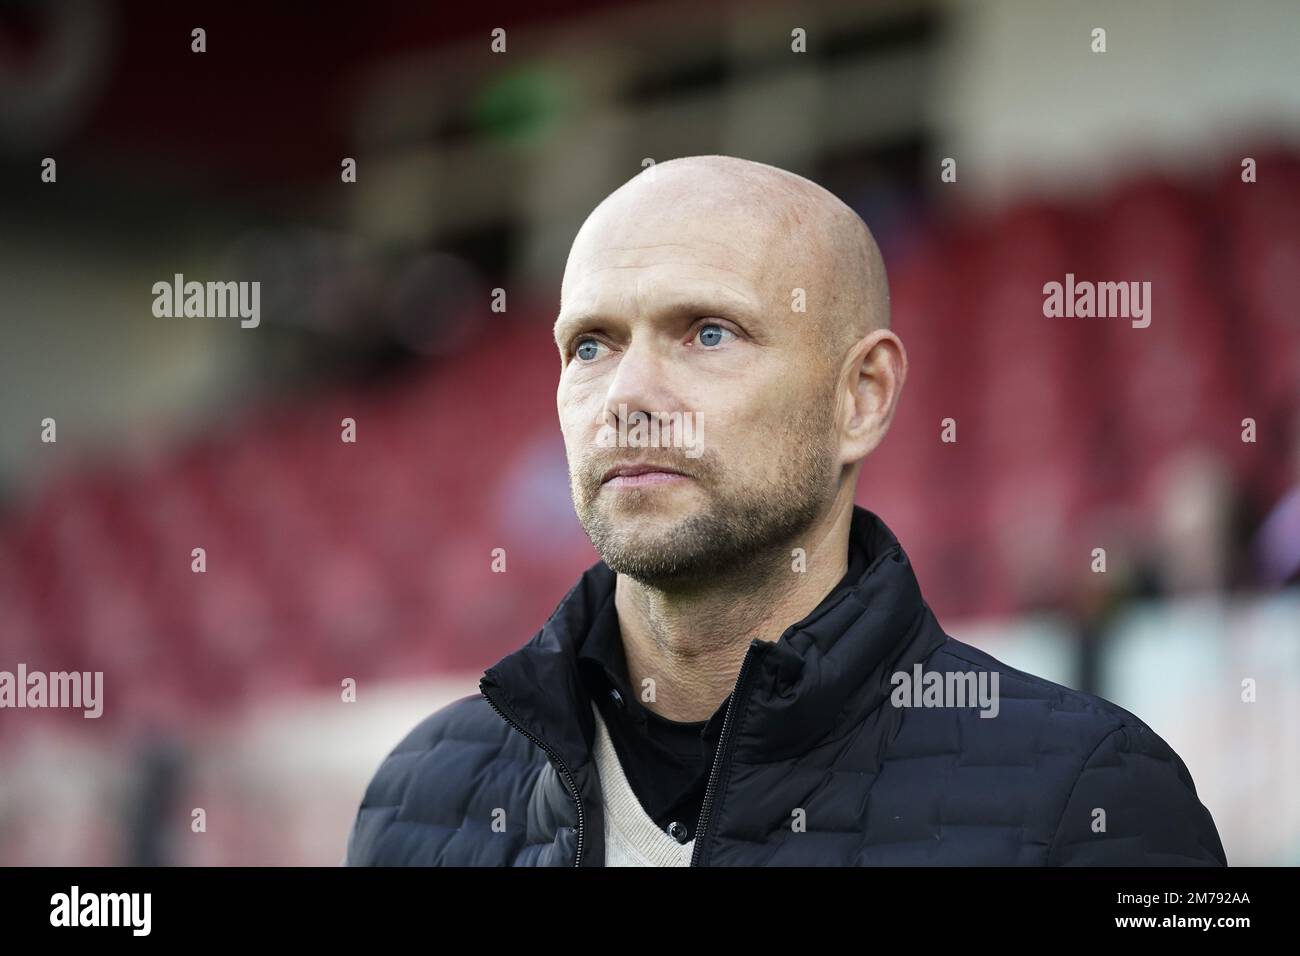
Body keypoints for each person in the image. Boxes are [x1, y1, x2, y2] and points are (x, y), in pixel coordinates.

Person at [345, 156, 1226, 866]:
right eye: (590, 344)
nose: (628, 397)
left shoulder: (1095, 799)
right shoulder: (418, 796)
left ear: (862, 397)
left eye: (709, 333)